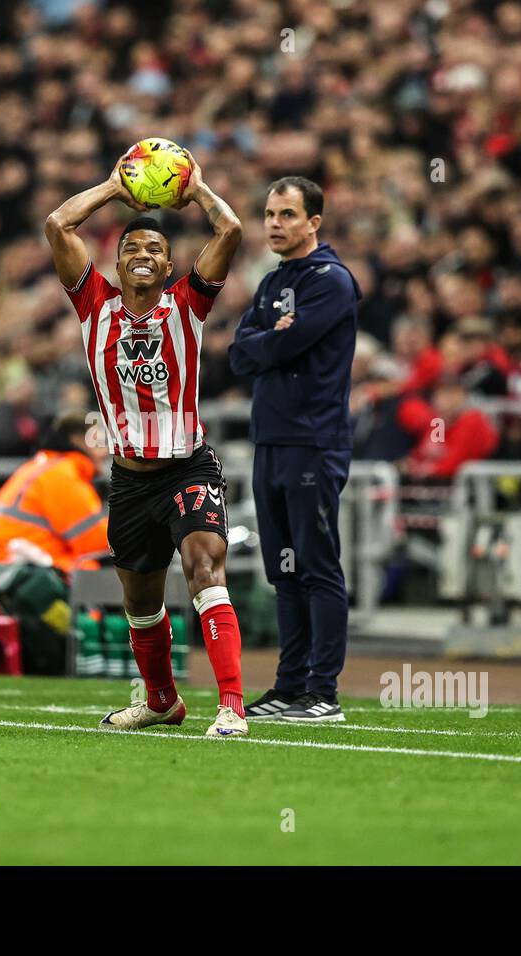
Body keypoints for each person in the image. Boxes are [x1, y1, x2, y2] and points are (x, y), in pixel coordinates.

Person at [44, 154, 248, 737]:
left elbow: (230, 230)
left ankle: (232, 707)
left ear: (168, 266)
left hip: (188, 467)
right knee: (140, 603)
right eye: (131, 246)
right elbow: (59, 224)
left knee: (205, 566)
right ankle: (162, 702)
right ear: (116, 260)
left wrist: (196, 187)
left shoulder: (189, 303)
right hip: (131, 480)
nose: (141, 254)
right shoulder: (93, 305)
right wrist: (114, 186)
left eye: (154, 250)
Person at [228, 176, 360, 722]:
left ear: (314, 222)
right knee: (283, 570)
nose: (275, 224)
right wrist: (268, 340)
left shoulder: (330, 281)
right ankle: (288, 686)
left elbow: (282, 342)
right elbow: (238, 354)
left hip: (313, 441)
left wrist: (269, 341)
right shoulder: (270, 283)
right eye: (269, 214)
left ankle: (322, 692)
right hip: (274, 441)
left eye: (286, 214)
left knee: (317, 566)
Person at [0, 410, 111, 579]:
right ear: (78, 440)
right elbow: (96, 542)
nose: (106, 451)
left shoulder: (43, 467)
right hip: (9, 575)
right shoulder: (62, 475)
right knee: (96, 572)